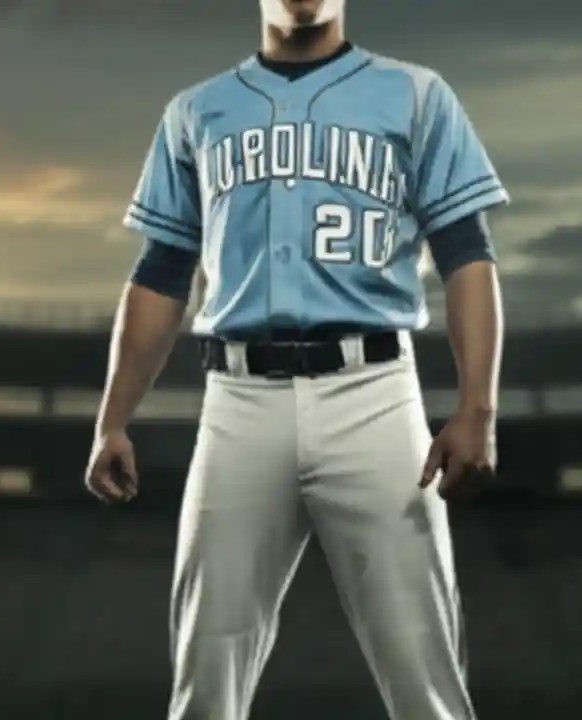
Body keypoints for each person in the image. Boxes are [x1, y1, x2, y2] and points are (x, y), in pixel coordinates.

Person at [85, 1, 507, 717]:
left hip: (374, 392)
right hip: (238, 403)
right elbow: (162, 271)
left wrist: (477, 410)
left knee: (424, 671)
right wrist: (112, 419)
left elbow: (467, 254)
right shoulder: (196, 111)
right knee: (205, 672)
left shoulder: (417, 94)